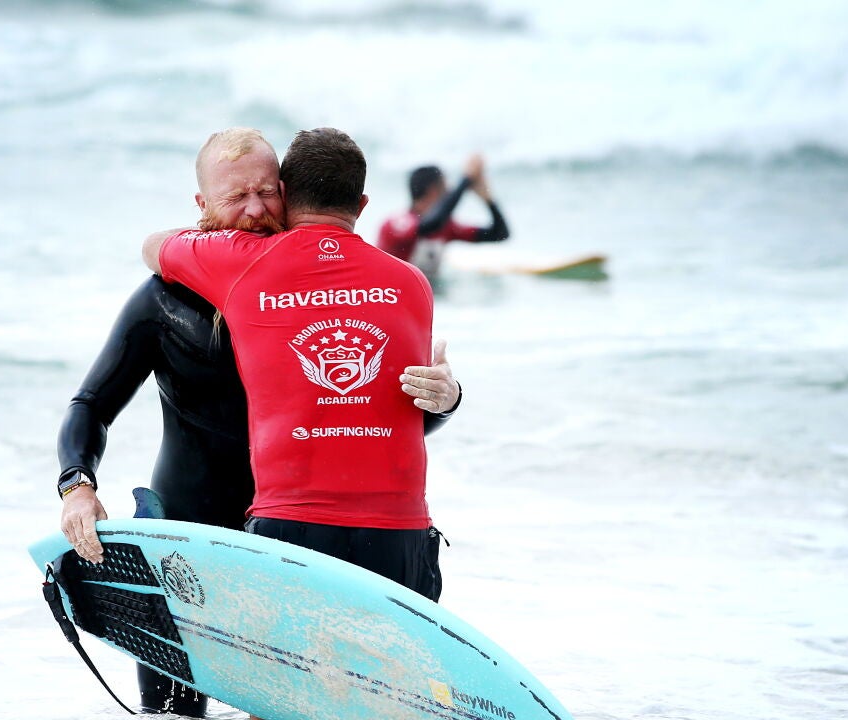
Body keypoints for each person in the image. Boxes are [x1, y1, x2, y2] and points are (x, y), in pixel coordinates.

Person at [55, 127, 460, 716]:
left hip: (292, 537)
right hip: (189, 537)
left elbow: (375, 424)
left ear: (290, 193)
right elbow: (90, 404)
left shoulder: (329, 291)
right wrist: (77, 486)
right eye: (233, 198)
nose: (253, 210)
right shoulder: (162, 301)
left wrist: (444, 399)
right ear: (201, 207)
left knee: (305, 706)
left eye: (267, 193)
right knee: (171, 712)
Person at [143, 128, 447, 610]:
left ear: (284, 193)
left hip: (291, 527)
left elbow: (154, 246)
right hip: (400, 531)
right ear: (362, 204)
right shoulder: (411, 283)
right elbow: (409, 411)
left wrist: (210, 233)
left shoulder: (240, 262)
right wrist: (450, 400)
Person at [377, 154, 510, 280]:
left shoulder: (447, 228)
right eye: (446, 187)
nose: (449, 192)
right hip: (392, 295)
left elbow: (499, 234)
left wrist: (488, 200)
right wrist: (466, 179)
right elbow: (432, 224)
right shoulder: (397, 224)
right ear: (433, 191)